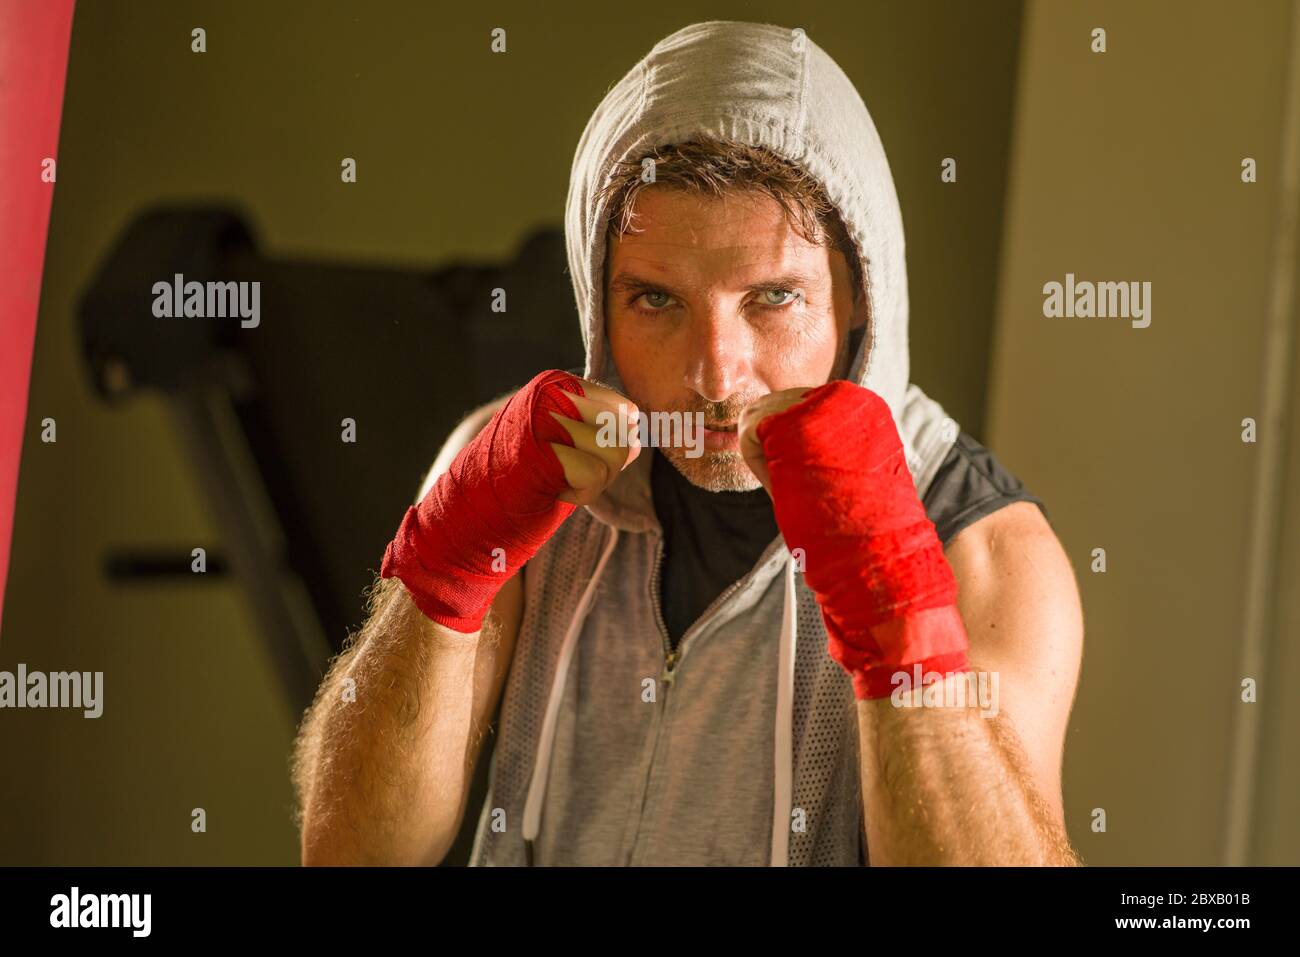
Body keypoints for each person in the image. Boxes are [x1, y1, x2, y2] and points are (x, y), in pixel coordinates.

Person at [292, 20, 1083, 866]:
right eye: (657, 301)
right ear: (599, 301)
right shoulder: (519, 470)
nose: (714, 373)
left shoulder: (985, 547)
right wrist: (443, 571)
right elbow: (349, 852)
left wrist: (904, 630)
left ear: (860, 297)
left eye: (773, 297)